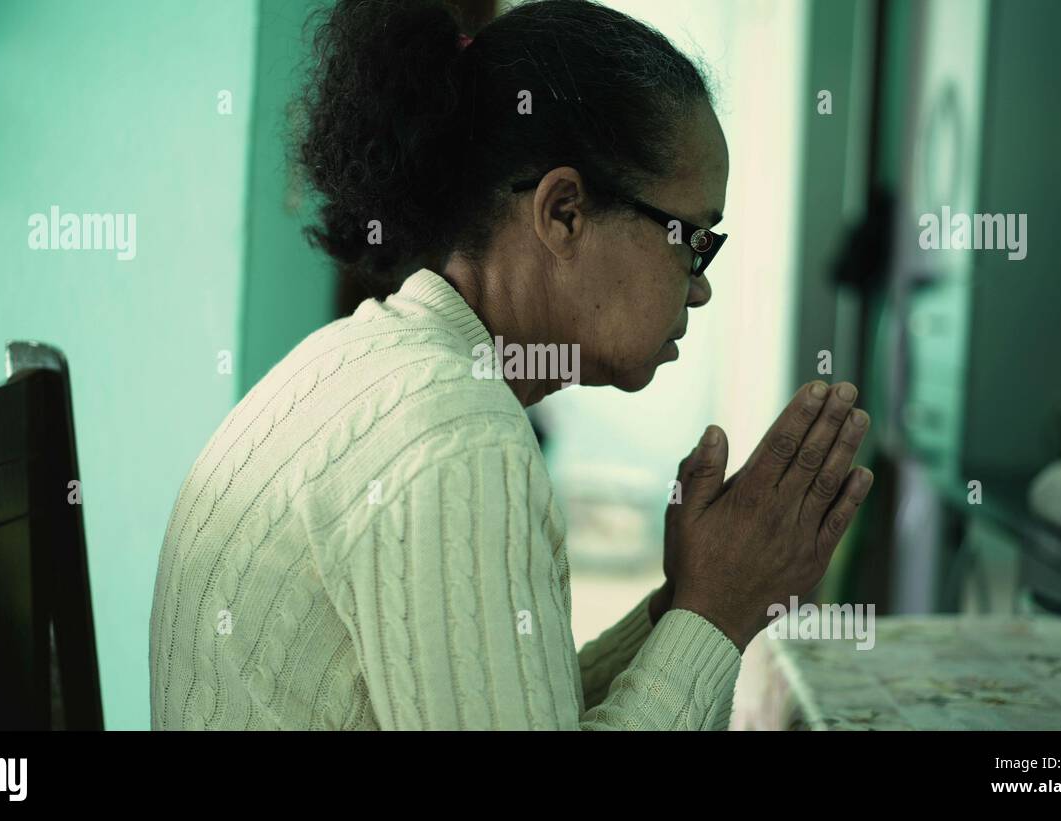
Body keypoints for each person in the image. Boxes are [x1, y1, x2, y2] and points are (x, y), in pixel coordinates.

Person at [149, 0, 873, 730]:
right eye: (692, 238)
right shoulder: (457, 437)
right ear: (563, 212)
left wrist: (682, 602)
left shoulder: (377, 359)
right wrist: (719, 613)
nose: (700, 282)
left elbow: (517, 700)